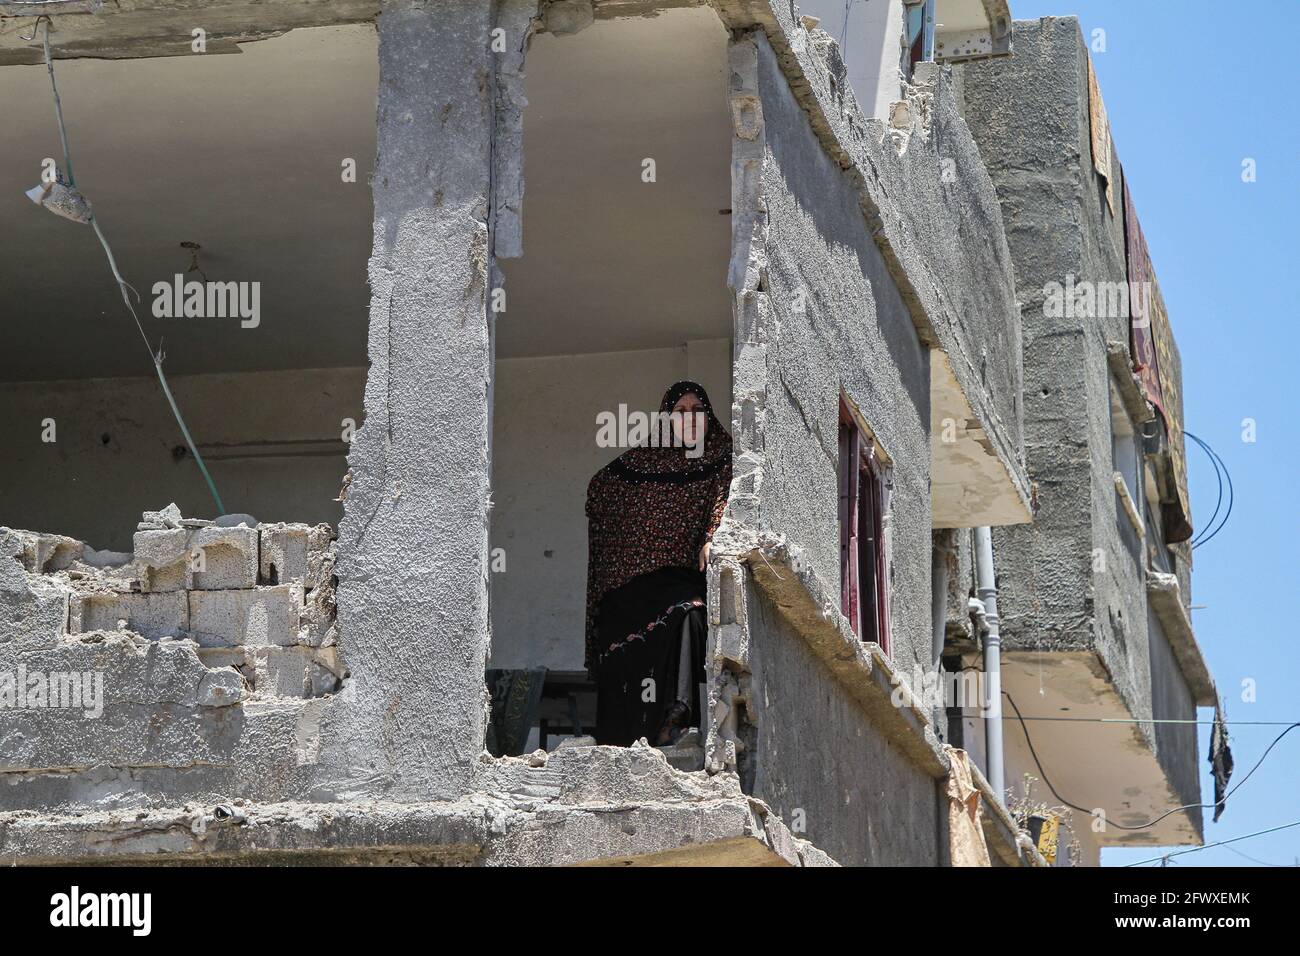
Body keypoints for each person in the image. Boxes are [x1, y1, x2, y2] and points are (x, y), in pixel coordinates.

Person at [585, 381, 732, 747]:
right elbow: (601, 485)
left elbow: (726, 498)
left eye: (698, 409)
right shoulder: (646, 460)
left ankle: (677, 713)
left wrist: (711, 536)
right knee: (618, 613)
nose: (690, 418)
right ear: (667, 419)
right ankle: (623, 736)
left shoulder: (722, 456)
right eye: (681, 411)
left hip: (684, 579)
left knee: (689, 613)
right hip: (642, 582)